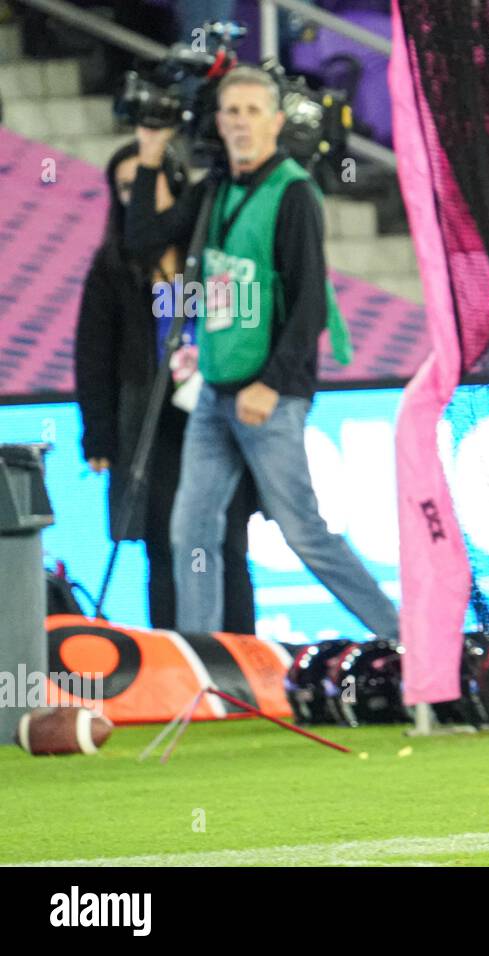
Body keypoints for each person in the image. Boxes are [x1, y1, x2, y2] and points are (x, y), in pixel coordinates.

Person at [124, 65, 398, 641]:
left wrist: (270, 384)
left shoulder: (293, 191)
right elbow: (143, 241)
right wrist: (151, 153)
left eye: (252, 111)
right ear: (218, 122)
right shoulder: (215, 190)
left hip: (268, 395)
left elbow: (308, 306)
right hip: (216, 392)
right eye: (231, 112)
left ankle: (401, 639)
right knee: (190, 532)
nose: (241, 122)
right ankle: (203, 662)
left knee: (303, 532)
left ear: (275, 121)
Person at [75, 141, 258, 634]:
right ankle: (178, 666)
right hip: (151, 423)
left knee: (229, 542)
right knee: (163, 545)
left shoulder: (217, 249)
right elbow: (93, 357)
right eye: (127, 187)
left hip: (220, 414)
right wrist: (98, 436)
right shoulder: (114, 265)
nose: (139, 195)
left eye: (148, 182)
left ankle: (244, 662)